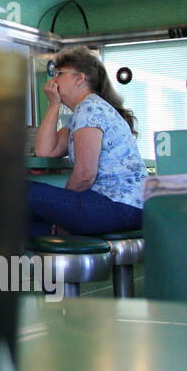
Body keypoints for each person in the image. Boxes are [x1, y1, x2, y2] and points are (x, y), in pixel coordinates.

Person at [28, 47, 146, 236]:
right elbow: (46, 151)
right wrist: (53, 104)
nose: (53, 79)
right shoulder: (82, 113)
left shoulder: (90, 108)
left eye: (59, 73)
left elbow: (85, 175)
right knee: (27, 228)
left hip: (118, 204)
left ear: (79, 79)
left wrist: (63, 215)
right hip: (125, 207)